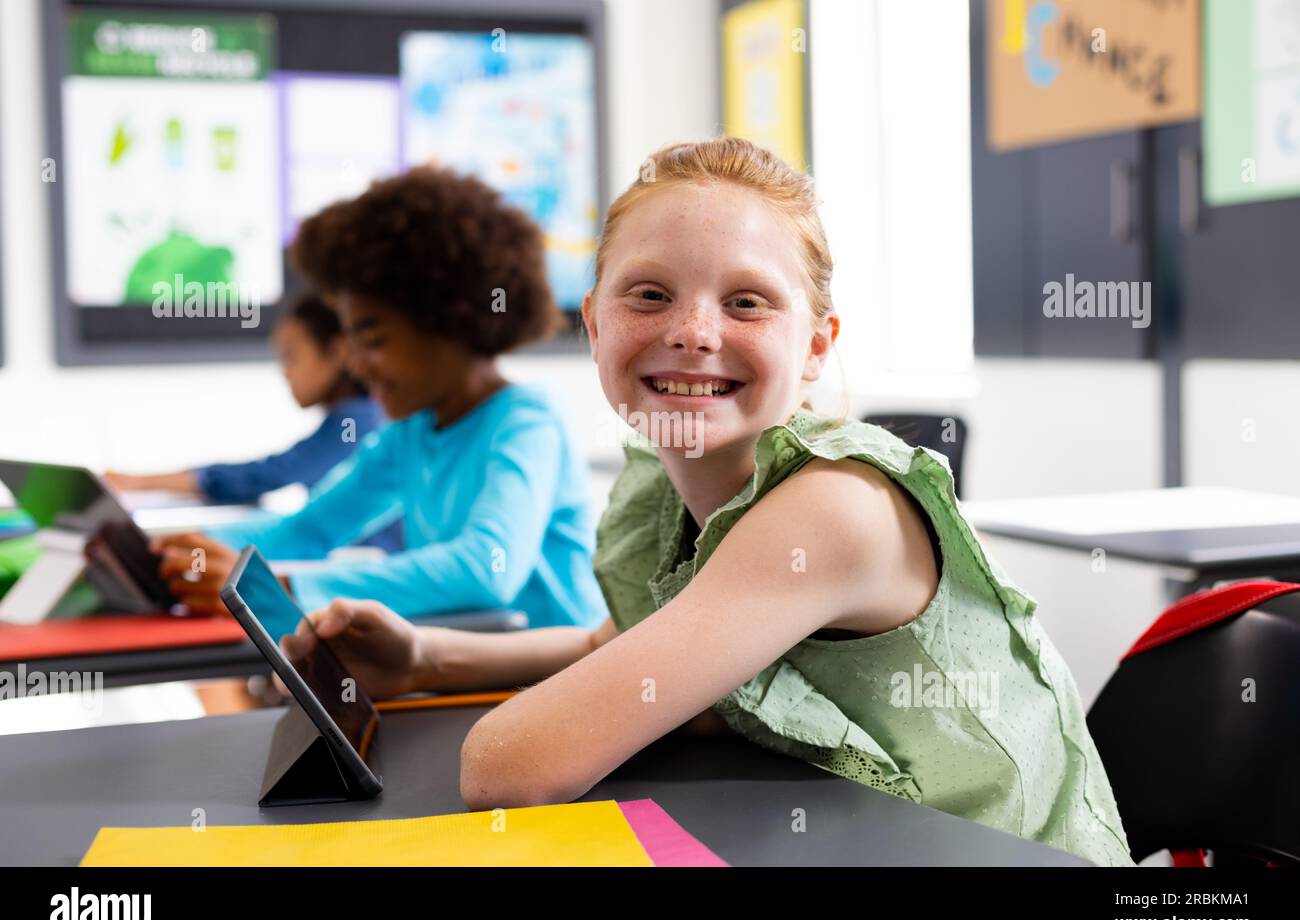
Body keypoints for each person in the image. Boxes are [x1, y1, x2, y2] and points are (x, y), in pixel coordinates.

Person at [278, 138, 1133, 866]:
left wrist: (654, 711)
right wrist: (426, 657)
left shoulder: (838, 507)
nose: (692, 329)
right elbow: (608, 643)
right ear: (594, 323)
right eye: (648, 294)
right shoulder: (665, 479)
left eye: (746, 301)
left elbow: (511, 767)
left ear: (815, 348)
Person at [152, 166, 607, 630]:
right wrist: (171, 549)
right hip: (467, 671)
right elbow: (310, 529)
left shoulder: (527, 421)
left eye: (373, 340)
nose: (357, 365)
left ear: (448, 320)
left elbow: (485, 570)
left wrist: (282, 592)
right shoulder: (410, 434)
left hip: (555, 679)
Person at [106, 295, 384, 504]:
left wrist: (140, 482)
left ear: (338, 351)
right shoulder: (356, 418)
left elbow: (269, 475)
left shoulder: (356, 421)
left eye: (291, 356)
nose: (285, 372)